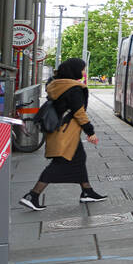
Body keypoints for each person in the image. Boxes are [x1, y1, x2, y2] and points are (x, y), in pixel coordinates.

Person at [19, 58, 107, 210]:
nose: (84, 72)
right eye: (83, 69)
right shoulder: (74, 89)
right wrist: (90, 132)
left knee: (79, 159)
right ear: (75, 70)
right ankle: (32, 195)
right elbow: (79, 113)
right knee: (60, 163)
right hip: (66, 132)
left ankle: (87, 192)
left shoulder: (57, 84)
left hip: (61, 130)